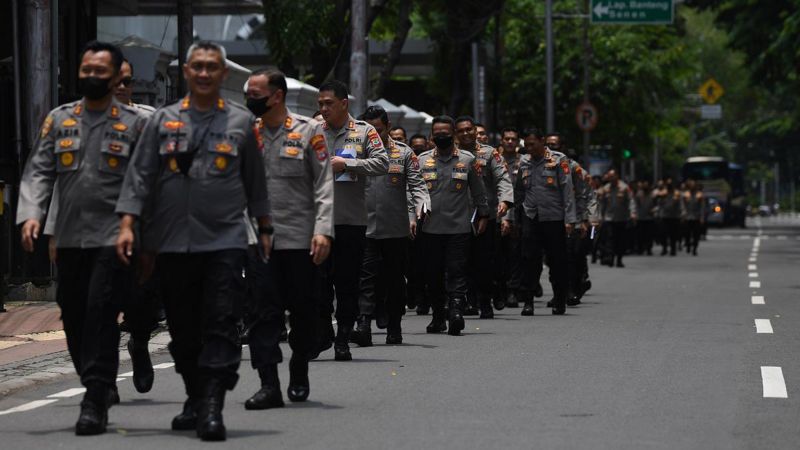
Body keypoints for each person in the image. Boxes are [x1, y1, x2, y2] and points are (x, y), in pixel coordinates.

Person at [115, 41, 271, 441]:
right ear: (186, 72)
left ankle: (213, 405)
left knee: (221, 323)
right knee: (183, 332)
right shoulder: (162, 122)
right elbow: (139, 178)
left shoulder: (239, 123)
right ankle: (195, 395)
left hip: (224, 240)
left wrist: (265, 229)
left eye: (211, 67)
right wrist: (130, 225)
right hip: (171, 243)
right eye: (197, 67)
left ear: (222, 74)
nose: (204, 73)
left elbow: (255, 183)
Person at [17, 41, 146, 435]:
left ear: (115, 77)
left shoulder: (135, 123)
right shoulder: (59, 120)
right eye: (86, 70)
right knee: (72, 313)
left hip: (114, 236)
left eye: (100, 71)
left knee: (101, 311)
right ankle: (96, 381)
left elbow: (144, 179)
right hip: (71, 238)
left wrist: (130, 224)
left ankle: (95, 396)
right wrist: (31, 215)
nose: (92, 77)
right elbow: (40, 170)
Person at [42, 57, 160, 397]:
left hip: (134, 232)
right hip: (83, 233)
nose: (121, 87)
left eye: (127, 81)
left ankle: (138, 343)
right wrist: (53, 231)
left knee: (139, 306)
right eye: (116, 80)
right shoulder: (68, 120)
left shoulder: (146, 122)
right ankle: (98, 382)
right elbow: (61, 184)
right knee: (86, 308)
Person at [241, 69, 334, 410]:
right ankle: (268, 383)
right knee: (262, 314)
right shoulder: (246, 134)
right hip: (258, 239)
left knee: (305, 312)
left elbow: (324, 183)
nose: (249, 100)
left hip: (301, 239)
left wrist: (323, 230)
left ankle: (299, 365)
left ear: (276, 96)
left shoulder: (310, 132)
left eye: (255, 93)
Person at [315, 80, 389, 361]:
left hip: (351, 221)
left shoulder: (365, 132)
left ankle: (343, 336)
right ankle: (323, 331)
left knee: (346, 284)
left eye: (328, 104)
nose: (323, 109)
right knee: (318, 283)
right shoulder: (313, 131)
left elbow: (382, 163)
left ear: (343, 103)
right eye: (320, 104)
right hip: (318, 222)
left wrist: (348, 164)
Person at [352, 105, 429, 346]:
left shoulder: (404, 154)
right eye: (369, 130)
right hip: (363, 226)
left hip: (395, 228)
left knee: (395, 279)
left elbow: (417, 185)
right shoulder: (354, 152)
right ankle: (363, 323)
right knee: (364, 278)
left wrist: (421, 205)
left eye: (378, 130)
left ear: (388, 128)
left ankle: (394, 325)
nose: (373, 135)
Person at [418, 116, 489, 335]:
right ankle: (438, 315)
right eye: (437, 134)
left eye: (445, 133)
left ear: (453, 135)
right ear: (432, 135)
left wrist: (484, 215)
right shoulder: (421, 161)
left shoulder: (467, 160)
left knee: (457, 272)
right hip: (430, 229)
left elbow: (479, 191)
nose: (441, 137)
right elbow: (412, 192)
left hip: (458, 228)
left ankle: (456, 312)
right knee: (433, 275)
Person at [455, 116, 513, 318]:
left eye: (469, 129)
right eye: (461, 130)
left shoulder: (490, 153)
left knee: (484, 261)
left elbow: (503, 179)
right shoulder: (449, 154)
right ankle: (466, 301)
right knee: (461, 262)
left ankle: (485, 301)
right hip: (456, 217)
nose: (465, 134)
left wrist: (505, 201)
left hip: (484, 216)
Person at [514, 127, 576, 316]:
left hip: (554, 218)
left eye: (532, 144)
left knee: (557, 261)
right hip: (531, 216)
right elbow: (519, 191)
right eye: (526, 145)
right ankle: (529, 301)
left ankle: (559, 299)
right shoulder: (524, 161)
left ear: (542, 141)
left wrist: (570, 219)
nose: (529, 148)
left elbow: (567, 190)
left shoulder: (558, 160)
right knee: (529, 260)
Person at [546, 134, 590, 306]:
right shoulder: (541, 163)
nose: (551, 148)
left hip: (571, 219)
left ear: (562, 146)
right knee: (552, 258)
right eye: (548, 144)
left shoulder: (573, 167)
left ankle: (571, 290)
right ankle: (558, 292)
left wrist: (583, 219)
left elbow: (582, 194)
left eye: (554, 145)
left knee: (571, 256)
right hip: (550, 217)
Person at [495, 127, 524, 308]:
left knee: (516, 254)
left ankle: (514, 290)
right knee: (498, 255)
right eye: (507, 139)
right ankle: (500, 290)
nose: (510, 142)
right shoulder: (494, 159)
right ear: (502, 141)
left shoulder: (524, 162)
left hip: (519, 212)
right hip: (498, 212)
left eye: (513, 139)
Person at [598, 169, 636, 268]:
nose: (610, 179)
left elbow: (631, 201)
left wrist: (632, 213)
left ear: (617, 176)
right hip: (609, 218)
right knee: (610, 239)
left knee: (620, 240)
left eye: (612, 176)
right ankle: (610, 258)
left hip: (622, 218)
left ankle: (619, 259)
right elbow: (602, 204)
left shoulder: (624, 188)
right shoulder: (606, 188)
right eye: (609, 177)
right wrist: (600, 217)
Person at [655, 179, 682, 256]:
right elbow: (659, 203)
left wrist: (681, 214)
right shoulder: (663, 193)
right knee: (663, 233)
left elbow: (680, 204)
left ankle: (673, 249)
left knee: (673, 234)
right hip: (664, 216)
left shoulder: (676, 194)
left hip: (674, 216)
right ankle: (664, 248)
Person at [682, 178, 705, 256]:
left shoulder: (699, 194)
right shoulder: (686, 194)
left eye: (693, 185)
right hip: (687, 217)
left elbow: (702, 207)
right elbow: (683, 206)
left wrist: (702, 217)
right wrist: (683, 214)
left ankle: (695, 248)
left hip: (696, 217)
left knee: (696, 234)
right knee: (687, 233)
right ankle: (688, 245)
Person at [635, 180, 656, 255]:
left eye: (647, 185)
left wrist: (654, 210)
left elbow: (657, 205)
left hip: (649, 217)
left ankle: (649, 249)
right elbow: (636, 205)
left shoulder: (653, 194)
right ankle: (640, 249)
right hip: (640, 217)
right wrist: (635, 214)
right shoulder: (639, 194)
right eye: (644, 185)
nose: (645, 187)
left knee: (649, 235)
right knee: (640, 235)